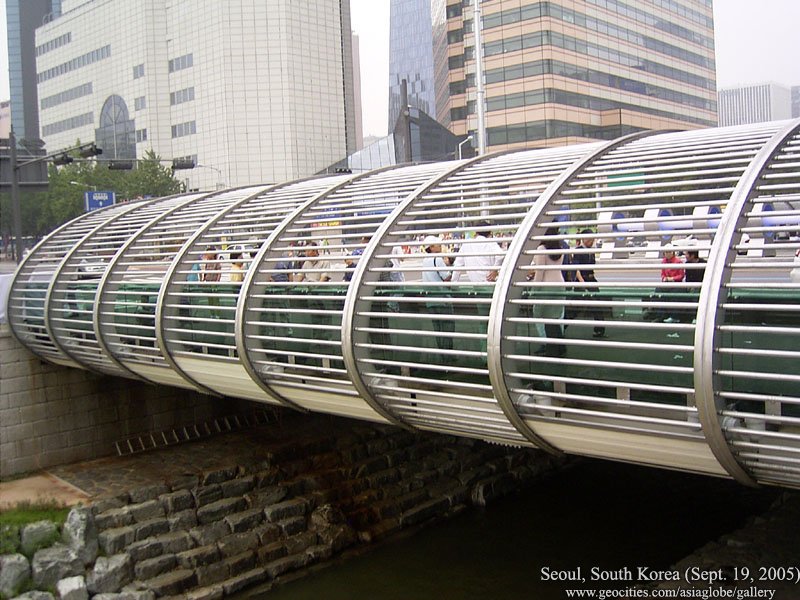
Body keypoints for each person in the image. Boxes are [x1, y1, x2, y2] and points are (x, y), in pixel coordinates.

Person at [528, 228, 566, 357]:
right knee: (554, 319)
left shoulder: (541, 249)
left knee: (546, 319)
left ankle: (552, 350)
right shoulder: (559, 249)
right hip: (560, 285)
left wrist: (534, 290)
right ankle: (560, 348)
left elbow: (540, 272)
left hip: (546, 286)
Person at [422, 235, 453, 352]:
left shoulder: (425, 260)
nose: (440, 246)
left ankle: (441, 354)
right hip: (442, 299)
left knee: (438, 330)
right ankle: (448, 354)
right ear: (431, 247)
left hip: (430, 300)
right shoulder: (437, 259)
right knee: (447, 329)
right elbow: (446, 277)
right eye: (437, 245)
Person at [572, 230, 606, 338]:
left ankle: (599, 330)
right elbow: (576, 269)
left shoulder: (591, 251)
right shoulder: (578, 251)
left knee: (597, 305)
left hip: (591, 280)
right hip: (583, 280)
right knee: (575, 308)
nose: (592, 241)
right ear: (584, 239)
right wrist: (582, 283)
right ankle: (561, 327)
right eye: (591, 239)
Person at [660, 243, 685, 324]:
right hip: (667, 284)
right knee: (658, 292)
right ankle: (661, 315)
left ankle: (675, 317)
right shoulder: (663, 262)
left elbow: (681, 275)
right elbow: (662, 274)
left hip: (676, 284)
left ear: (673, 252)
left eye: (669, 252)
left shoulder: (678, 262)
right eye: (666, 252)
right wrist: (664, 278)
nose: (667, 254)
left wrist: (672, 278)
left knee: (674, 296)